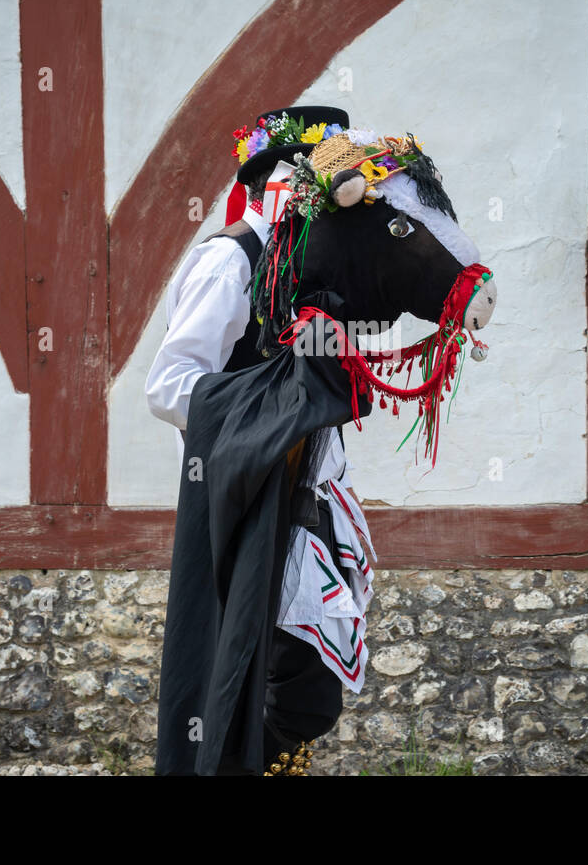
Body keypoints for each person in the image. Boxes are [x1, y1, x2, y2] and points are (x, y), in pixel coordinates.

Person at [146, 106, 376, 775]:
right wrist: (276, 408)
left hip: (303, 501)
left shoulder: (304, 273)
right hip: (245, 506)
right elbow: (168, 385)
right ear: (285, 185)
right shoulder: (230, 262)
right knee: (279, 686)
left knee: (308, 688)